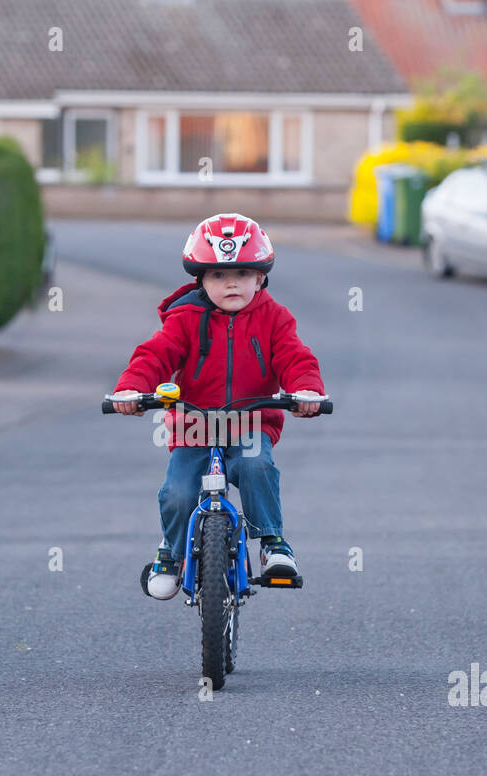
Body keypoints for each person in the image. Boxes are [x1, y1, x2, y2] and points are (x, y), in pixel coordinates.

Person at [110, 213, 326, 599]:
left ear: (260, 277)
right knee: (177, 492)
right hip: (195, 427)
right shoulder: (184, 320)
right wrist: (132, 390)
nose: (230, 283)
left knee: (256, 464)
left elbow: (296, 359)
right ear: (200, 280)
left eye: (242, 273)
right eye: (217, 275)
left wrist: (306, 391)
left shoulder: (275, 319)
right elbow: (154, 356)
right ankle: (172, 554)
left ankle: (272, 542)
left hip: (249, 423)